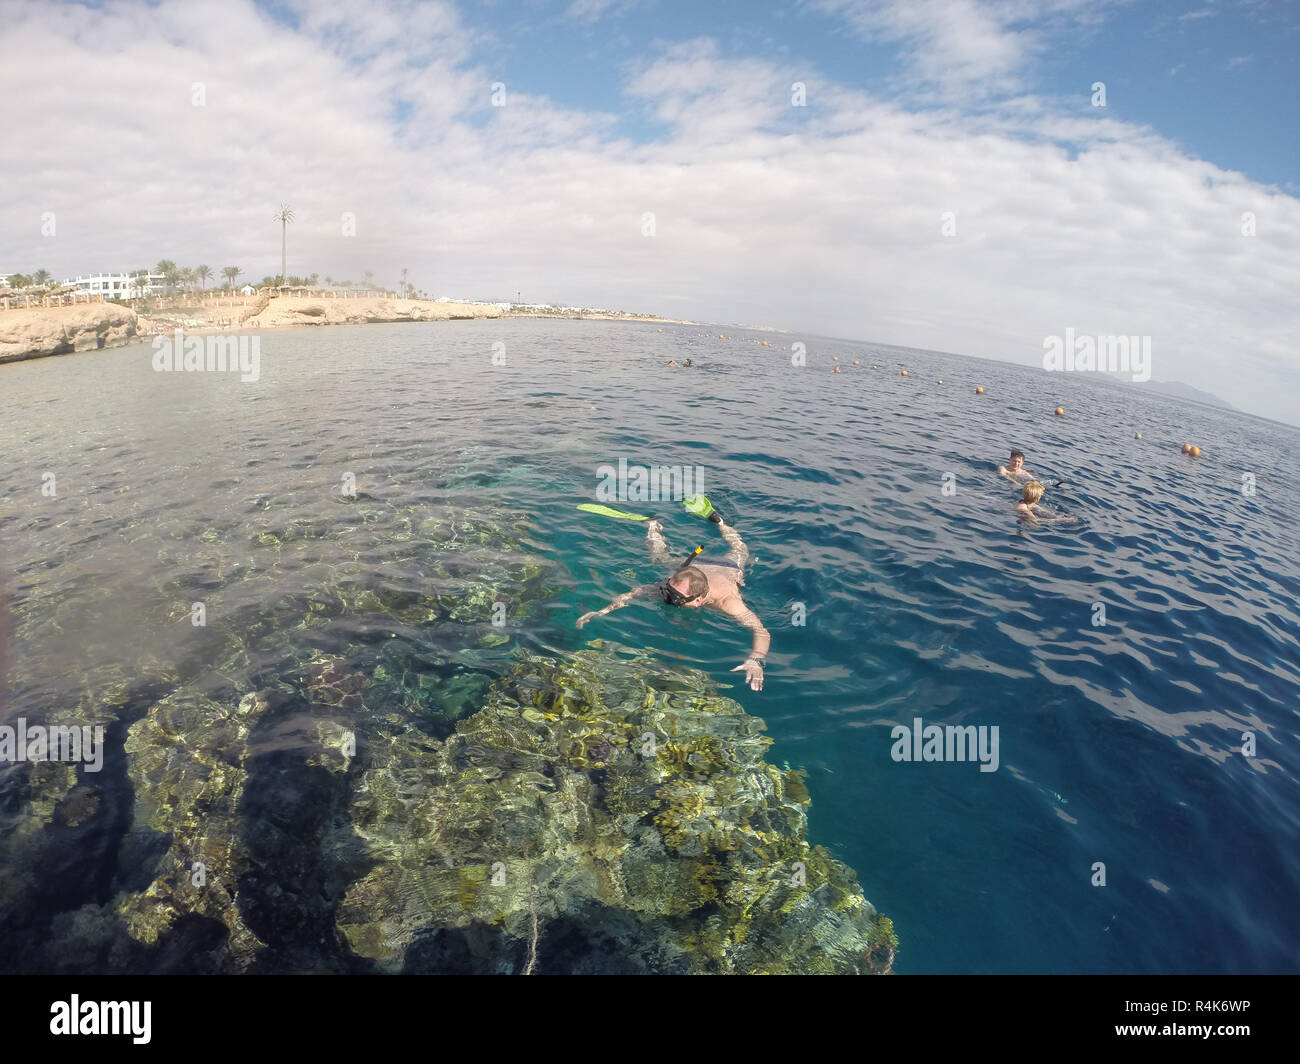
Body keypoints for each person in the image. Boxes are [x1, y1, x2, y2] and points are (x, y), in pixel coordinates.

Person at [576, 500, 770, 691]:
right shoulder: (673, 587)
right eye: (667, 592)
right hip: (695, 565)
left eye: (676, 600)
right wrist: (602, 611)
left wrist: (755, 659)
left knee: (739, 549)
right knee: (659, 559)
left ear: (699, 600)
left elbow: (761, 631)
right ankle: (652, 524)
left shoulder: (728, 602)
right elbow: (632, 594)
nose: (668, 600)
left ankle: (719, 522)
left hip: (727, 568)